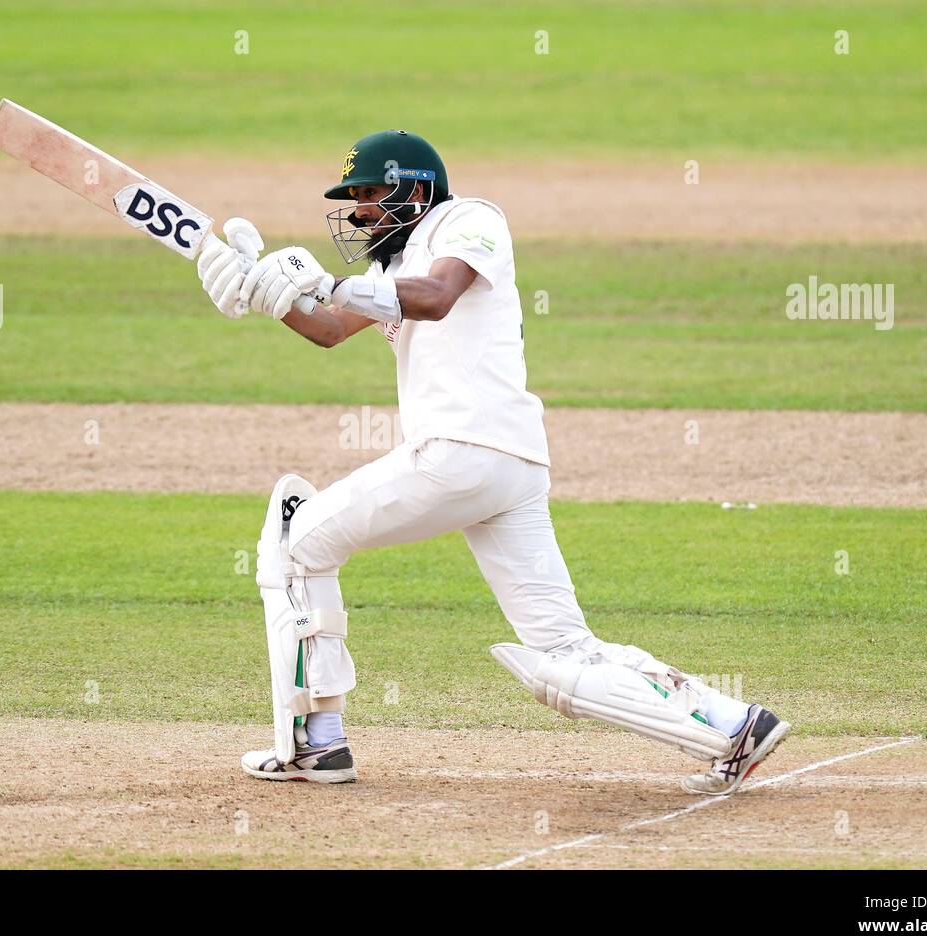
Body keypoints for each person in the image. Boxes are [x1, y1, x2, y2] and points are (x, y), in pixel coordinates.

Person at [194, 130, 790, 796]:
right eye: (354, 199)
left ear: (414, 189)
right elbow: (329, 328)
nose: (359, 212)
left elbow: (438, 297)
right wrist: (259, 292)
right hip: (508, 471)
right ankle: (735, 724)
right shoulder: (392, 269)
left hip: (458, 456)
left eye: (368, 195)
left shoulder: (469, 220)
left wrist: (326, 282)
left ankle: (317, 744)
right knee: (566, 649)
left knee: (294, 545)